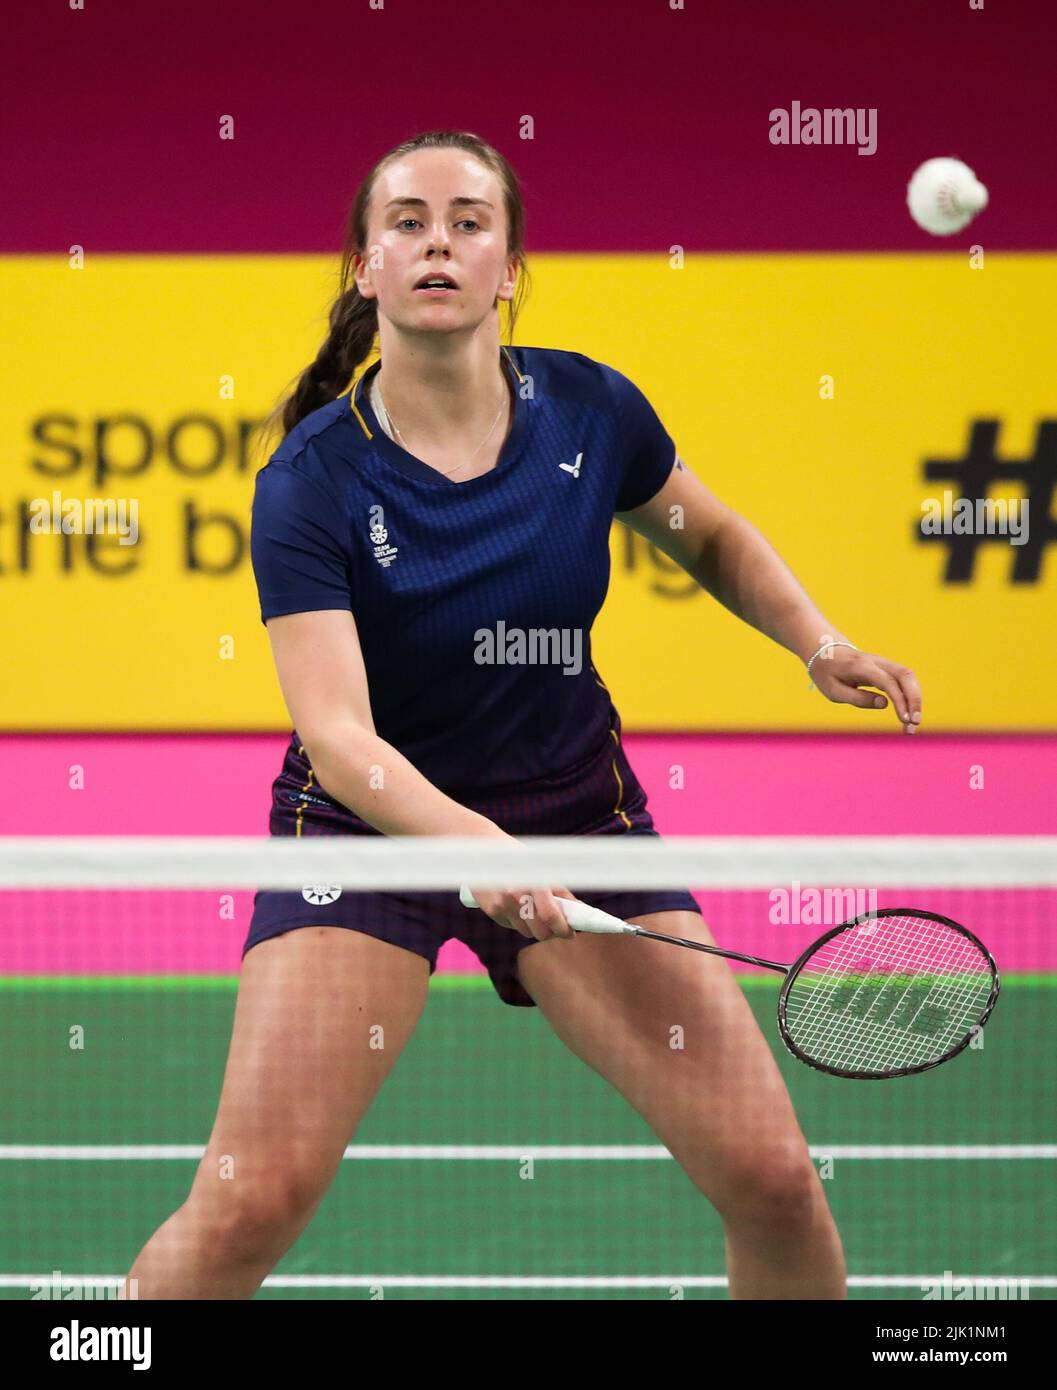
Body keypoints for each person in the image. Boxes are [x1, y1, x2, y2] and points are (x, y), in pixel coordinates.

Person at [126, 129, 922, 1300]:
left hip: (575, 824)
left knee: (771, 1177)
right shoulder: (311, 480)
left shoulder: (591, 411)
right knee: (252, 1199)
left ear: (510, 268)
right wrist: (470, 852)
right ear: (366, 267)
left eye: (467, 220)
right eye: (406, 221)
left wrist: (819, 641)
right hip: (366, 838)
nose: (436, 240)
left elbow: (707, 533)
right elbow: (340, 737)